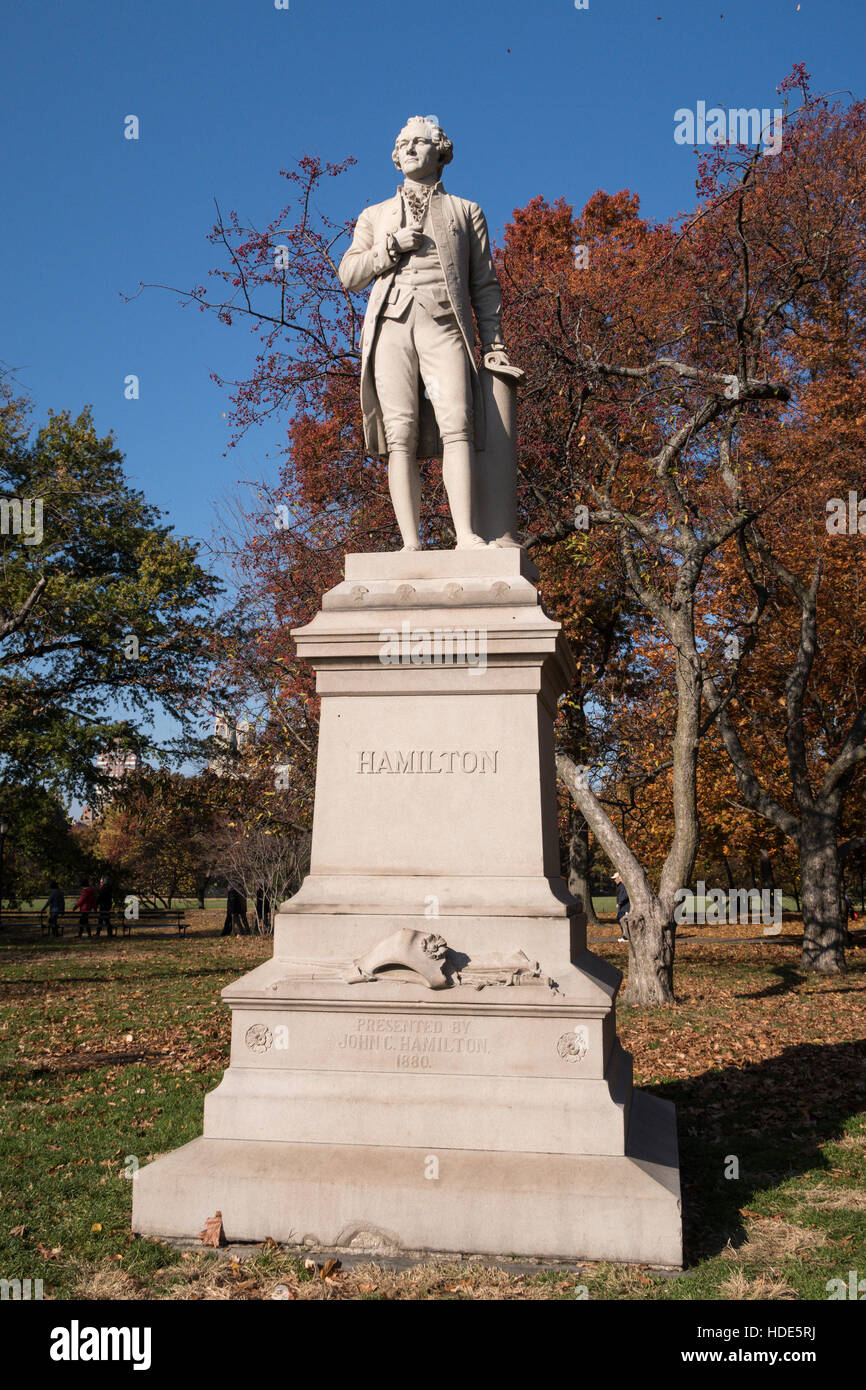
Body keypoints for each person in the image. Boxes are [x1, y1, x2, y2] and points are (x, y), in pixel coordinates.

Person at [338, 115, 523, 550]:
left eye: (419, 142)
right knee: (398, 432)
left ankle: (468, 537)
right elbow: (349, 273)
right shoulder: (374, 215)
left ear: (440, 151)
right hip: (391, 327)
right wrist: (387, 249)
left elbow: (484, 285)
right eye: (402, 143)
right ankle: (411, 545)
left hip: (445, 325)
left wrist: (494, 344)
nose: (408, 149)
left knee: (457, 423)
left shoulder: (466, 211)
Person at [613, 872, 631, 943]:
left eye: (615, 878)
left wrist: (619, 902)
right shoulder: (620, 885)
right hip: (622, 907)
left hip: (625, 907)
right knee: (620, 920)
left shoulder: (624, 885)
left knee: (623, 921)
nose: (614, 880)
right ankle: (625, 936)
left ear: (619, 878)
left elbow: (625, 895)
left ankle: (626, 937)